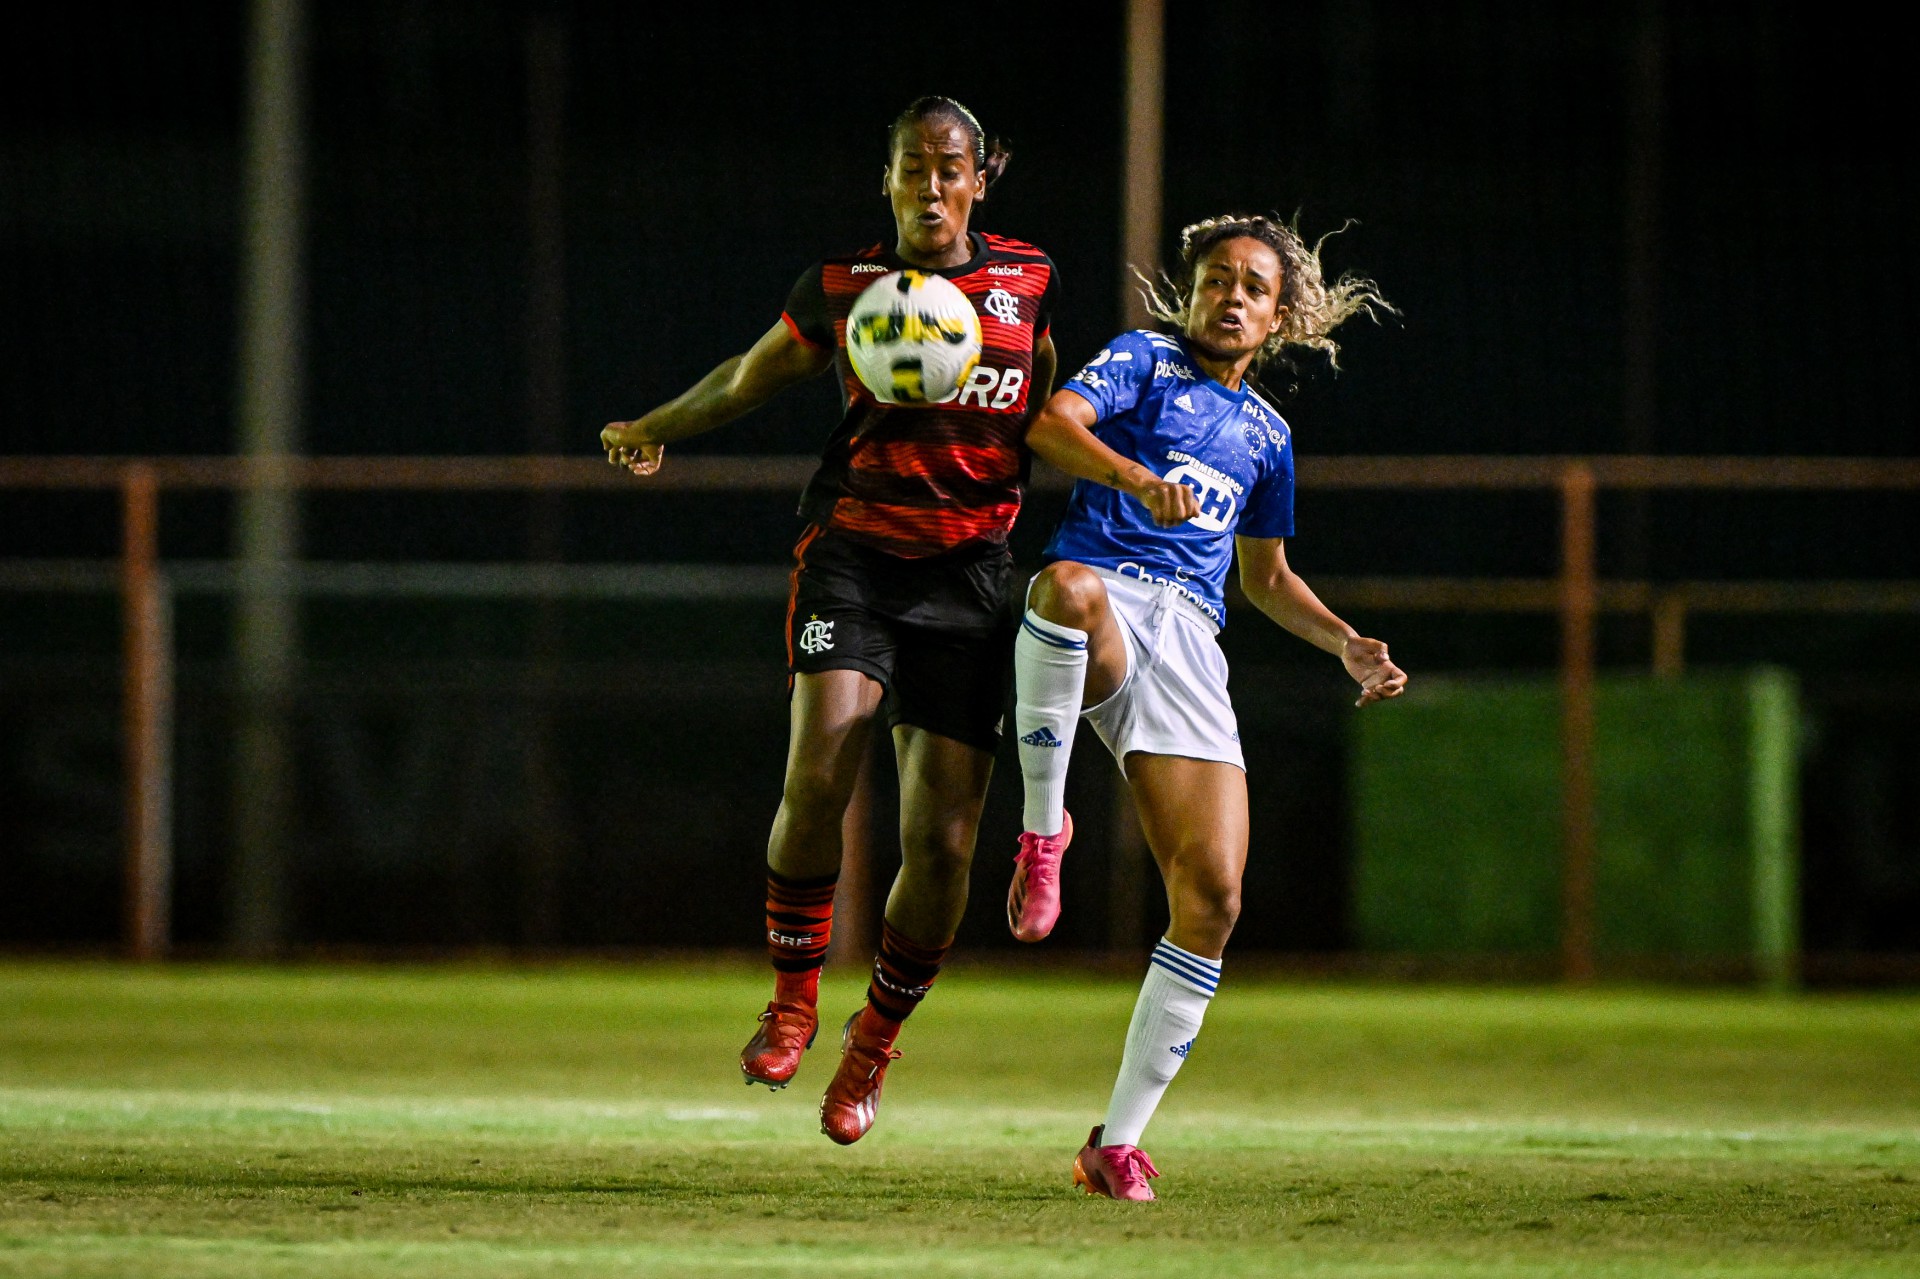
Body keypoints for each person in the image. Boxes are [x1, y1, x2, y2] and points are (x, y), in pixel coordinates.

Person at [600, 96, 1058, 1146]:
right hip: (854, 557)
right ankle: (793, 997)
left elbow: (1049, 413)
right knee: (819, 771)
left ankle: (873, 1045)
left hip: (971, 578)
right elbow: (750, 375)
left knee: (940, 841)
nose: (930, 187)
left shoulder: (1028, 282)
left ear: (982, 176)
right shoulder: (845, 287)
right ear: (887, 179)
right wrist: (652, 427)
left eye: (949, 168)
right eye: (911, 169)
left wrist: (1125, 473)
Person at [1003, 214, 1405, 1199]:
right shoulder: (1144, 361)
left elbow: (1264, 578)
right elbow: (1051, 425)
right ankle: (1041, 828)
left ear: (1279, 315)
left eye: (1254, 287)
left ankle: (1116, 1141)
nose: (1231, 296)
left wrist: (1344, 641)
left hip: (1189, 638)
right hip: (1106, 601)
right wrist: (1136, 478)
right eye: (1216, 279)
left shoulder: (1269, 436)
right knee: (1063, 587)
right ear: (1189, 293)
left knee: (1215, 896)